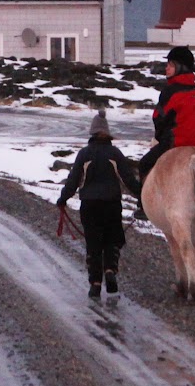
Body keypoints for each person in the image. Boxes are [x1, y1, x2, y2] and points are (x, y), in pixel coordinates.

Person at [57, 108, 140, 301]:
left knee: (93, 244)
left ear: (92, 133)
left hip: (89, 205)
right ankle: (110, 270)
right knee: (113, 239)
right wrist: (142, 197)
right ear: (107, 133)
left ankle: (95, 284)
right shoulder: (115, 153)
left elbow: (73, 181)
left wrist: (63, 199)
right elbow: (128, 179)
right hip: (111, 203)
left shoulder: (84, 154)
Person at [135, 45, 195, 219]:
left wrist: (162, 138)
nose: (166, 68)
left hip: (173, 145)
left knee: (144, 164)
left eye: (171, 64)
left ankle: (144, 206)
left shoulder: (169, 92)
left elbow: (159, 119)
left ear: (180, 67)